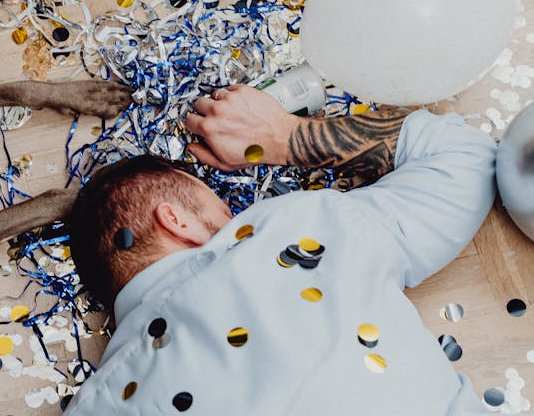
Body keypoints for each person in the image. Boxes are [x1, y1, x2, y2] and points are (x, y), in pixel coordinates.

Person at [65, 84, 497, 415]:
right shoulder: (295, 231)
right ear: (177, 221)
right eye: (222, 206)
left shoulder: (98, 403)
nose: (234, 216)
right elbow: (465, 156)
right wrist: (281, 136)